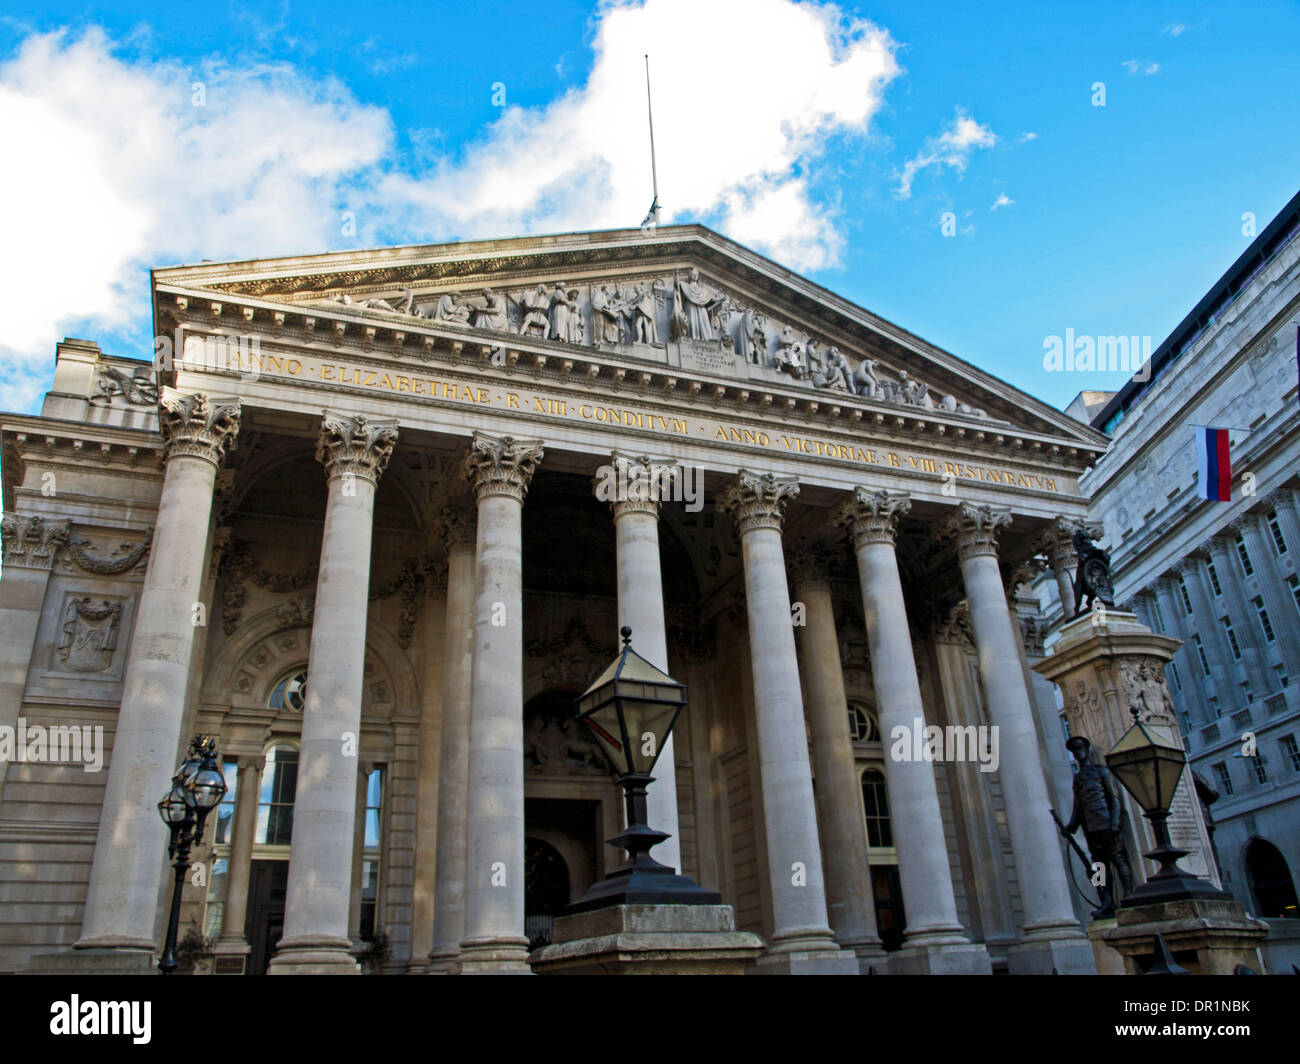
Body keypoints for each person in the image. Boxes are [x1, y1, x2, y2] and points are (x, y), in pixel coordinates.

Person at [1061, 734, 1134, 917]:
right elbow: (1078, 806)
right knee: (1099, 866)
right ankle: (1107, 901)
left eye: (1080, 749)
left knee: (1118, 860)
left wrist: (1115, 823)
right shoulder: (1078, 778)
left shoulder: (1101, 771)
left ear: (1086, 750)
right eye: (1074, 751)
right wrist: (1071, 826)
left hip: (1106, 823)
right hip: (1090, 827)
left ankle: (1129, 895)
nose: (1078, 754)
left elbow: (1113, 798)